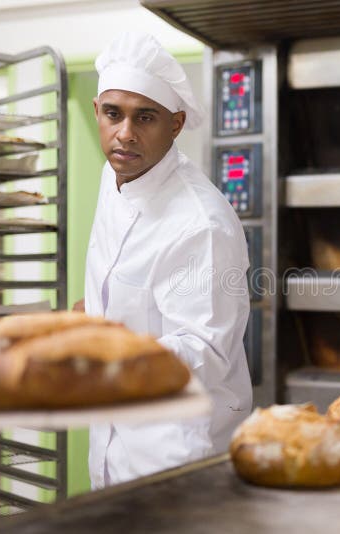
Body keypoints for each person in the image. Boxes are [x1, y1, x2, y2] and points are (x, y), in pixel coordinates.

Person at [75, 32, 253, 489]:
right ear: (97, 110)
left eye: (145, 118)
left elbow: (207, 352)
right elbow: (128, 275)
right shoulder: (116, 171)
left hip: (176, 449)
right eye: (113, 114)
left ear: (175, 125)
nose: (125, 134)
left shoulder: (201, 223)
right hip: (113, 433)